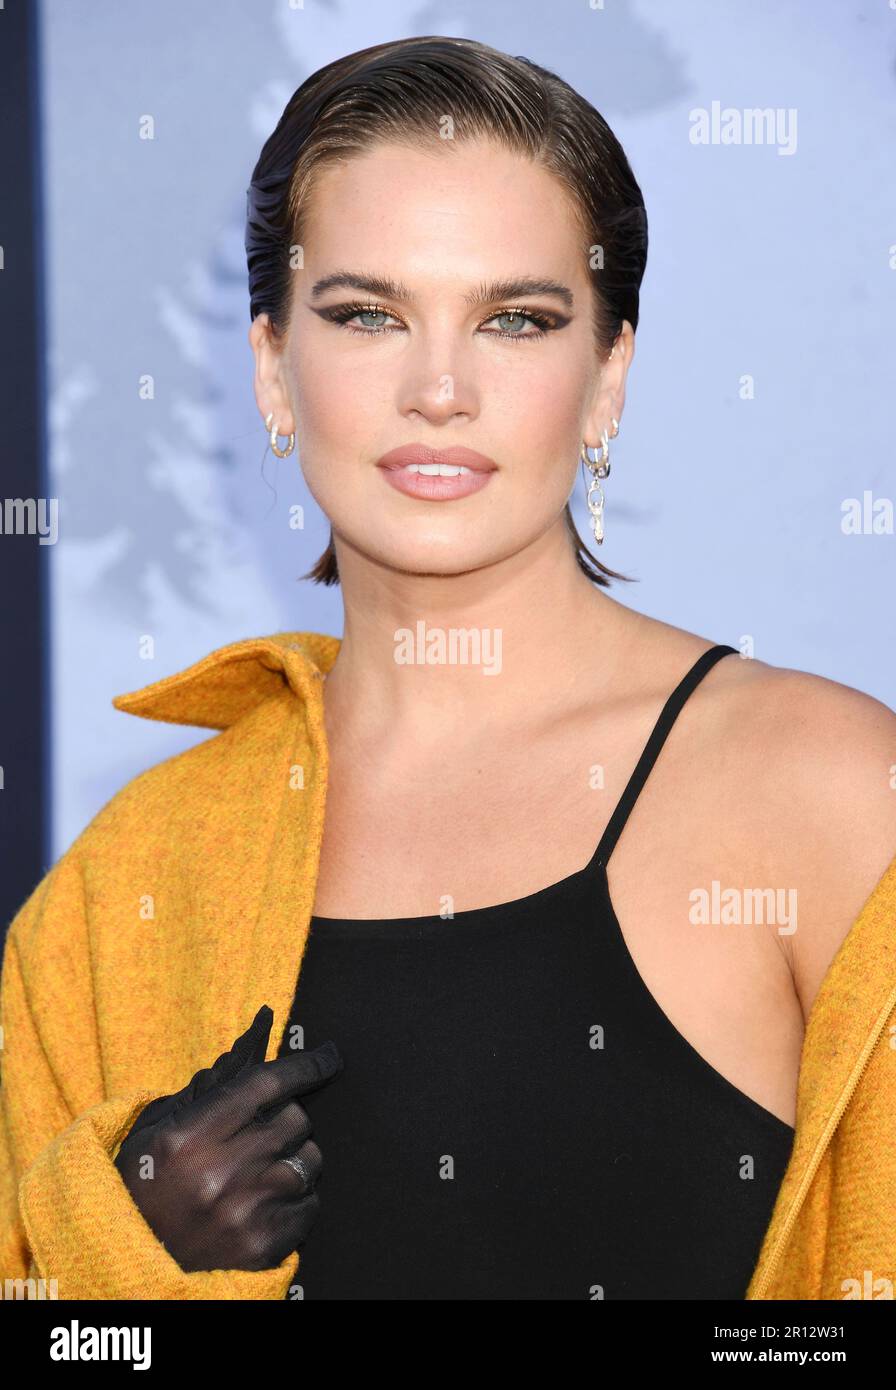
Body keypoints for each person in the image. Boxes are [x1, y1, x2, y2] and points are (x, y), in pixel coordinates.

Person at [2, 36, 894, 1302]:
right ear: (270, 368)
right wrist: (124, 1263)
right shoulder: (131, 877)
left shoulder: (828, 794)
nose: (437, 387)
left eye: (514, 320)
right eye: (366, 314)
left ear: (607, 379)